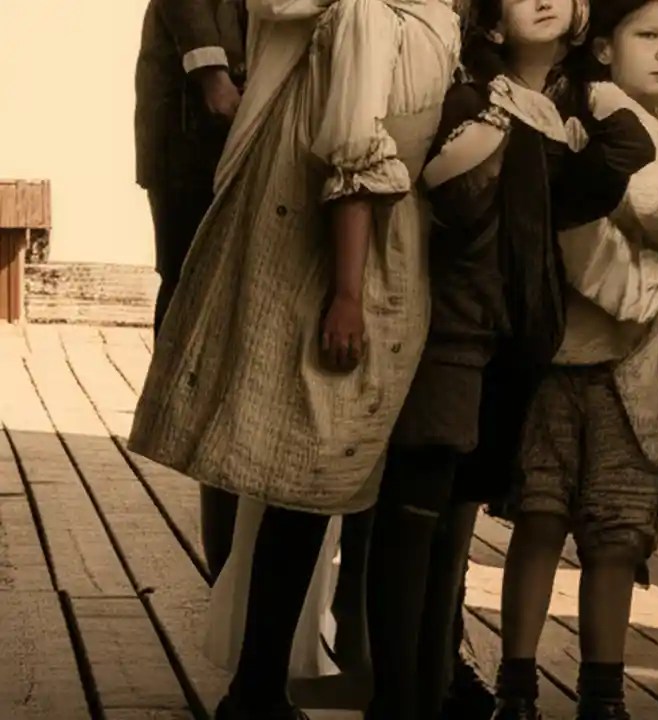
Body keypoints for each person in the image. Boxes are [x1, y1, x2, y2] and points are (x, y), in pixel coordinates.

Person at [126, 0, 462, 717]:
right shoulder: (369, 18)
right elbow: (353, 154)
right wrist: (347, 294)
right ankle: (256, 686)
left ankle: (268, 682)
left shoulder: (433, 18)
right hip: (349, 250)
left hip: (385, 241)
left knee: (324, 476)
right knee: (309, 472)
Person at [365, 0, 657, 716]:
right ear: (492, 24)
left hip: (510, 349)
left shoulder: (560, 122)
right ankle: (397, 702)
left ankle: (427, 692)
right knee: (415, 524)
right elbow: (450, 210)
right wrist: (495, 130)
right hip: (453, 340)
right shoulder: (473, 100)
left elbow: (626, 156)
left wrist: (595, 90)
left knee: (452, 531)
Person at [492, 1, 658, 718]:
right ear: (604, 46)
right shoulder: (603, 114)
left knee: (565, 524)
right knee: (605, 531)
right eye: (649, 36)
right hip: (614, 356)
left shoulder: (640, 124)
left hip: (592, 354)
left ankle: (525, 687)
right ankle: (591, 694)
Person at [134, 0, 246, 582]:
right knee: (203, 332)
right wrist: (213, 74)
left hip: (265, 107)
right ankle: (229, 567)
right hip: (197, 130)